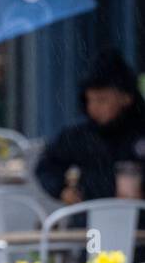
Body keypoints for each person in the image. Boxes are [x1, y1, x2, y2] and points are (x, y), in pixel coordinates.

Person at [36, 48, 145, 204]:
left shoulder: (139, 132)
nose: (94, 107)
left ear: (126, 98)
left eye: (102, 100)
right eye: (89, 100)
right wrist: (62, 190)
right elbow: (47, 165)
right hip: (89, 219)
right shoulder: (81, 135)